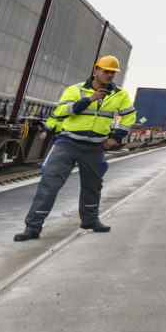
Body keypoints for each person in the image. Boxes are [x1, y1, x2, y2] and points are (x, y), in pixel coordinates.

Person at [14, 55, 135, 241]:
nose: (110, 75)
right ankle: (32, 227)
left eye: (113, 73)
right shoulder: (76, 90)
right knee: (49, 185)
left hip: (95, 147)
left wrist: (116, 138)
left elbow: (129, 117)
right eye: (106, 71)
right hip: (68, 144)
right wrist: (88, 100)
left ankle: (90, 220)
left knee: (92, 187)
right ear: (95, 71)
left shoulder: (119, 94)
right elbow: (60, 111)